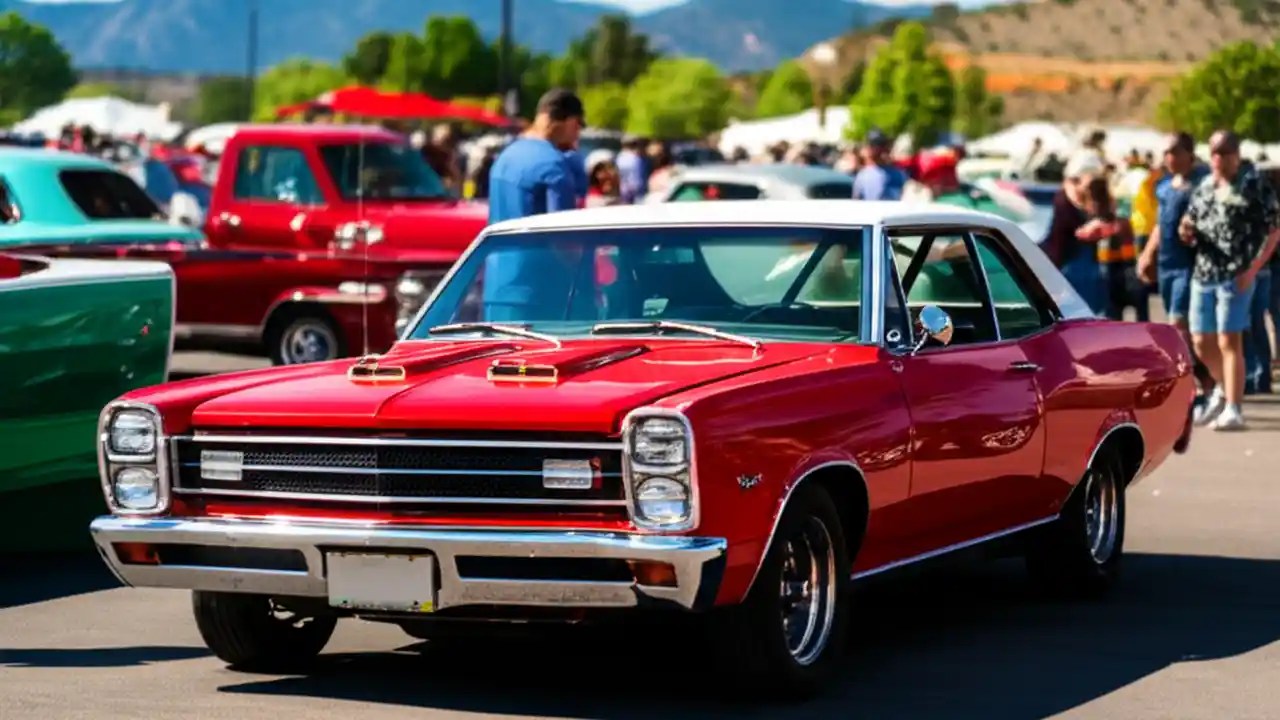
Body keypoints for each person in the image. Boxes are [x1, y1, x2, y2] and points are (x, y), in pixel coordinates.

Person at [1179, 130, 1280, 430]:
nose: (1218, 159)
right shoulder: (1205, 186)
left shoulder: (1253, 184)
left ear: (1236, 155)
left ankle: (1234, 407)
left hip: (1236, 275)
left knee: (1229, 339)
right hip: (1204, 273)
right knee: (1200, 340)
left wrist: (1252, 269)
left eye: (1224, 152)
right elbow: (1191, 219)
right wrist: (1186, 230)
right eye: (1214, 153)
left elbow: (1273, 230)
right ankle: (1223, 389)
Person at [483, 89, 586, 321]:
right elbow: (563, 239)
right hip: (540, 292)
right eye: (578, 124)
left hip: (497, 284)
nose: (577, 133)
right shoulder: (554, 165)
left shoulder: (505, 157)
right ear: (567, 120)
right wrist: (582, 281)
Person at [1137, 132, 1215, 404]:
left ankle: (1199, 382)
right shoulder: (1165, 186)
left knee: (1178, 326)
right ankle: (1203, 382)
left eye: (1174, 152)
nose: (1169, 158)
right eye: (1166, 152)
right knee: (1178, 330)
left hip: (1189, 266)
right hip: (1167, 265)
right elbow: (1160, 224)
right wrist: (1147, 254)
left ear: (1189, 155)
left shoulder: (1201, 185)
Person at [1044, 152, 1107, 314]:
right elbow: (1063, 236)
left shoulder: (1088, 200)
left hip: (1084, 268)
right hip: (1070, 267)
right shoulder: (1063, 201)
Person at [1077, 177, 1141, 320]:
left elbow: (1128, 255)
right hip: (1105, 272)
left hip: (1115, 272)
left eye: (1096, 200)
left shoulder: (1117, 224)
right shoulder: (1092, 223)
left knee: (1112, 312)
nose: (1093, 205)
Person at [852, 130, 908, 201]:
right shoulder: (862, 176)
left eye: (881, 144)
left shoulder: (898, 175)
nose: (878, 149)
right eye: (874, 145)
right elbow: (856, 203)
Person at [615, 135, 648, 204]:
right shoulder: (636, 159)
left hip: (624, 192)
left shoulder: (618, 158)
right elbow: (638, 181)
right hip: (638, 194)